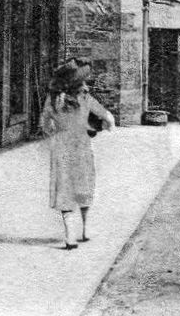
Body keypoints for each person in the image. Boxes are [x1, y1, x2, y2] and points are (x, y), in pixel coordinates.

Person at [40, 58, 115, 250]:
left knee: (64, 189)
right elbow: (107, 117)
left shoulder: (52, 100)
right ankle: (85, 230)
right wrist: (103, 126)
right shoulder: (85, 99)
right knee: (84, 186)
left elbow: (45, 126)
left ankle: (69, 237)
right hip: (81, 145)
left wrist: (57, 132)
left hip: (61, 147)